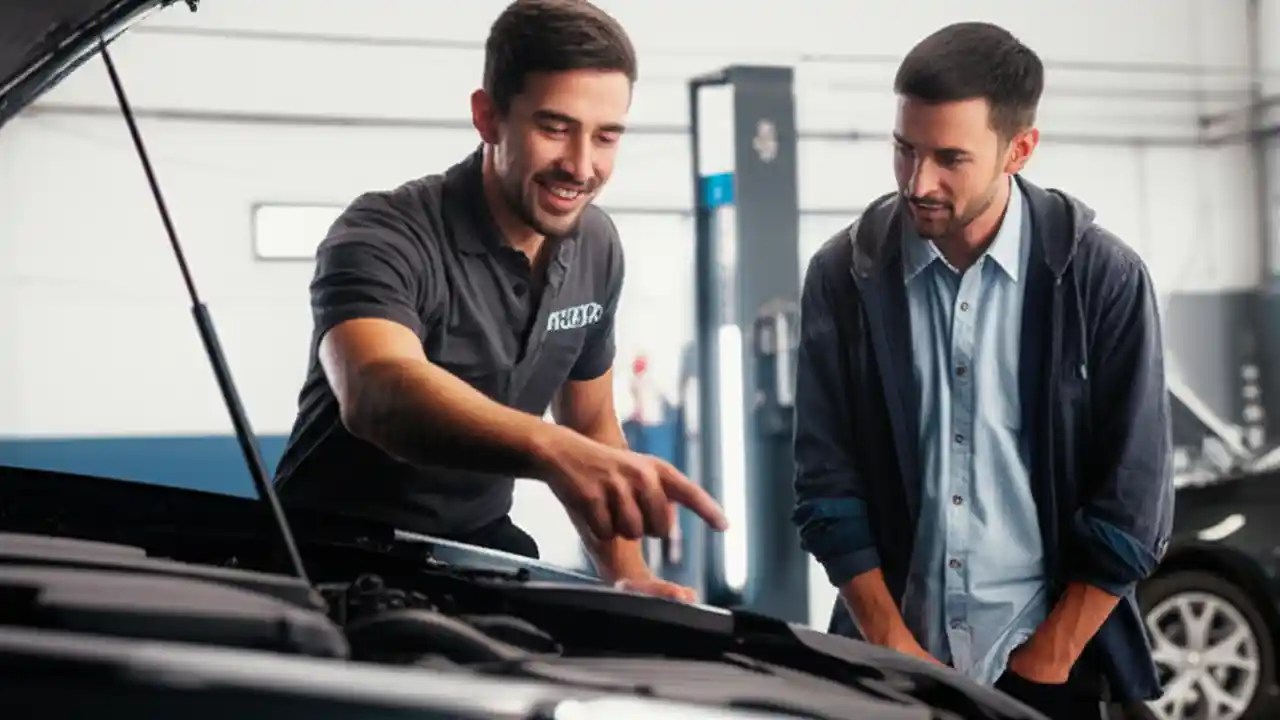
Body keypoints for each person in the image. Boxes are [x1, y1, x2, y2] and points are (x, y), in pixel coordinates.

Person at [273, 0, 726, 603]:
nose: (581, 166)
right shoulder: (384, 232)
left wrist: (629, 577)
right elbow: (376, 389)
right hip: (329, 556)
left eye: (606, 136)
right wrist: (551, 449)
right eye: (554, 128)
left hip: (477, 552)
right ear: (487, 117)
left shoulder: (596, 246)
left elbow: (589, 422)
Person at [790, 21, 1173, 720]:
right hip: (890, 665)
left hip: (1051, 670)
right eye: (904, 149)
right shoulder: (844, 276)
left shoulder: (1102, 279)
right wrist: (890, 641)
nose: (918, 182)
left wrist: (1049, 659)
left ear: (1018, 150)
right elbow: (826, 484)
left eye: (950, 158)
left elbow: (1134, 501)